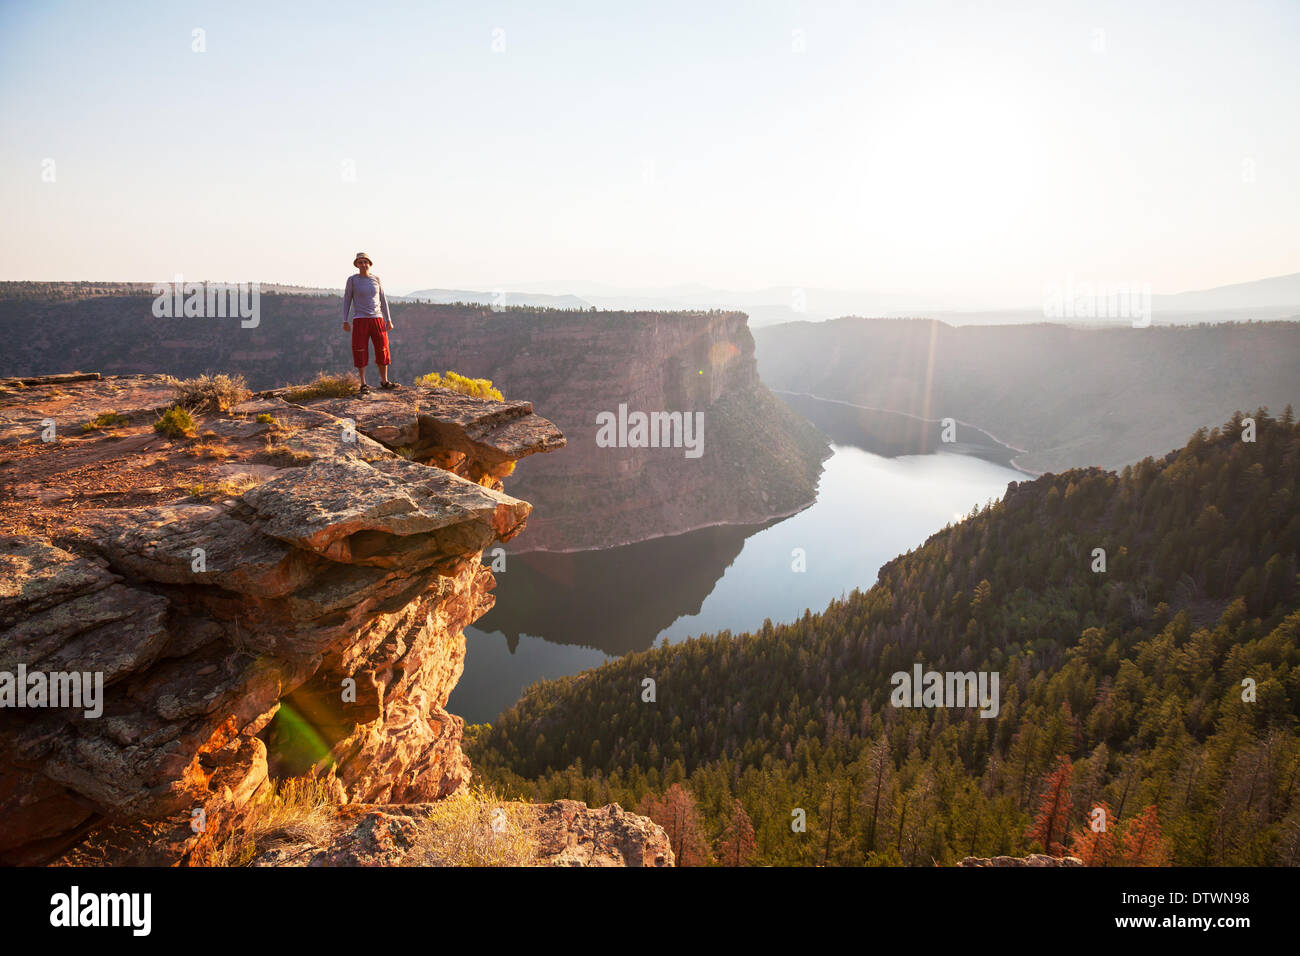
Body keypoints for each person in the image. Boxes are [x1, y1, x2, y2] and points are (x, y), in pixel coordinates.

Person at [342, 252, 400, 393]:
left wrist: (389, 319)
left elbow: (383, 300)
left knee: (383, 349)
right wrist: (345, 320)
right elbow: (347, 300)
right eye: (360, 262)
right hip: (360, 320)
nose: (363, 264)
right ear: (357, 265)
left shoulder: (376, 279)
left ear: (370, 264)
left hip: (377, 319)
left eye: (365, 262)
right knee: (360, 350)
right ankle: (363, 384)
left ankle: (384, 381)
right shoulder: (352, 280)